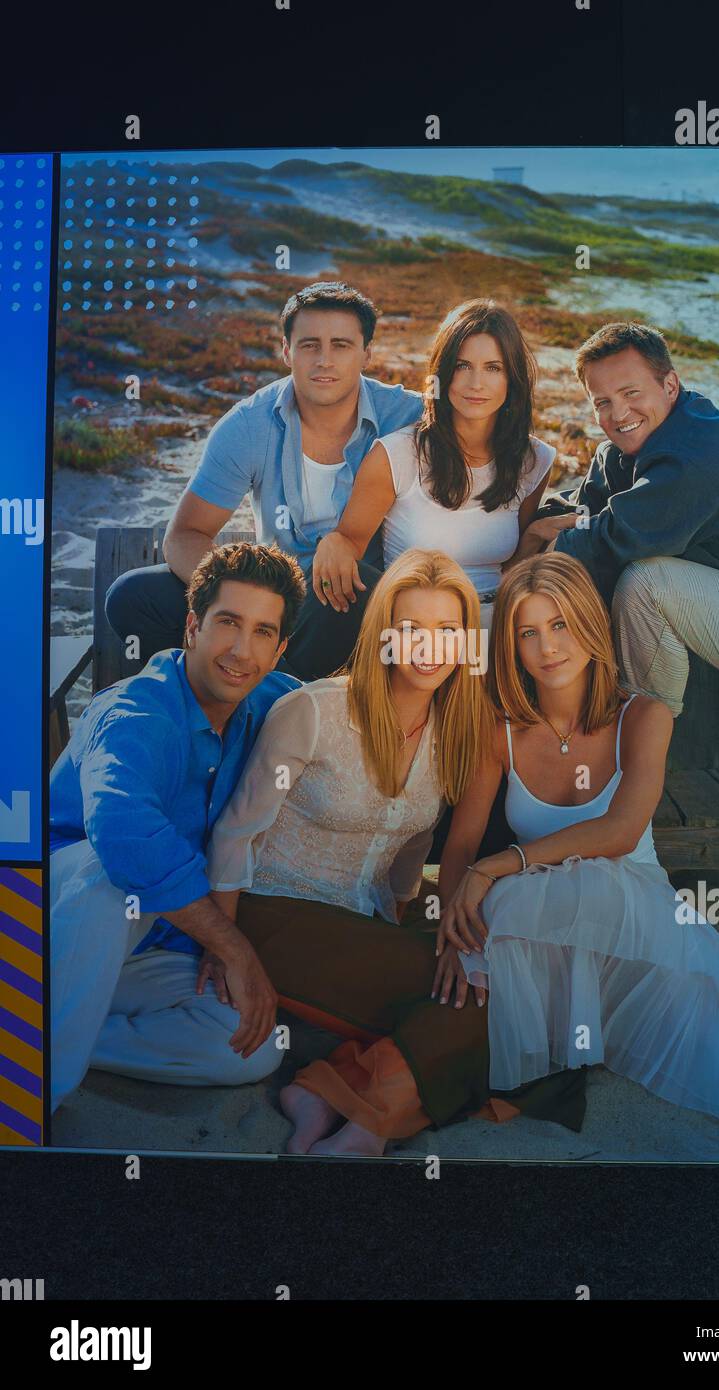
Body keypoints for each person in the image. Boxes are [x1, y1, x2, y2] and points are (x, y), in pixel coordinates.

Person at [203, 549, 587, 1156]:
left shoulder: (453, 732)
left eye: (446, 632)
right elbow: (234, 834)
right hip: (272, 915)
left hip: (368, 920)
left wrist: (425, 930)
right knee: (486, 1000)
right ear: (384, 635)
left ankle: (320, 1095)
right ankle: (362, 1120)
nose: (428, 648)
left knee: (513, 965)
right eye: (411, 631)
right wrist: (226, 951)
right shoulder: (314, 713)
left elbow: (412, 858)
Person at [442, 553, 719, 1131]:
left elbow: (619, 834)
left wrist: (500, 865)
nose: (548, 647)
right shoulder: (500, 731)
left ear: (592, 627)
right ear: (511, 646)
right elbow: (458, 847)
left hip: (634, 922)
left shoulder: (643, 714)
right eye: (529, 632)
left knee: (569, 881)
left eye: (562, 624)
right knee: (499, 910)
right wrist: (452, 931)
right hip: (544, 931)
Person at [49, 543, 306, 1112]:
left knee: (246, 1046)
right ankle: (35, 1093)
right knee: (108, 875)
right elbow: (123, 832)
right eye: (228, 623)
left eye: (264, 632)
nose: (242, 651)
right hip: (51, 926)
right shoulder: (136, 713)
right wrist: (232, 945)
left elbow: (347, 714)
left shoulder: (274, 704)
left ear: (281, 648)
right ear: (192, 625)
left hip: (152, 949)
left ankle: (59, 1035)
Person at [103, 281, 423, 680]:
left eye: (341, 345)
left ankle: (250, 704)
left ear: (366, 353)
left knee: (352, 590)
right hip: (277, 595)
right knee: (134, 596)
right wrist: (243, 598)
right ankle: (271, 700)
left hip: (360, 609)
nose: (324, 360)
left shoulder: (409, 417)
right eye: (309, 345)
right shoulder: (248, 425)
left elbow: (492, 447)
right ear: (286, 351)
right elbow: (184, 536)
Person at [515, 322, 719, 720]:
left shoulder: (696, 458)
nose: (618, 414)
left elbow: (602, 544)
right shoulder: (641, 444)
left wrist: (526, 554)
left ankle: (640, 743)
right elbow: (581, 510)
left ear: (670, 385)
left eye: (631, 393)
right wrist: (540, 526)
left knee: (646, 584)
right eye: (602, 402)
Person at [310, 299, 556, 660]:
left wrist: (533, 537)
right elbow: (351, 543)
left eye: (493, 368)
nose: (476, 383)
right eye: (462, 366)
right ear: (443, 373)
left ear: (512, 379)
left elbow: (509, 571)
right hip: (414, 632)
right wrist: (334, 541)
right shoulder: (396, 455)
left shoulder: (536, 460)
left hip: (496, 625)